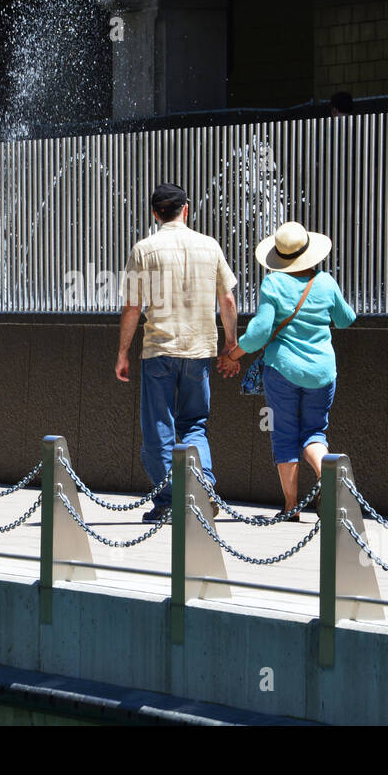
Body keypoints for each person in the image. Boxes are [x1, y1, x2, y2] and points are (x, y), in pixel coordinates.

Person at [117, 184, 238, 522]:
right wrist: (230, 344)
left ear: (155, 213)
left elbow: (131, 307)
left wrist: (123, 352)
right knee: (195, 424)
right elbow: (227, 301)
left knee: (160, 428)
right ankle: (205, 490)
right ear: (186, 209)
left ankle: (169, 502)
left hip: (159, 350)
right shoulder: (209, 246)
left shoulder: (144, 249)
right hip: (199, 350)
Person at [219, 221, 356, 519]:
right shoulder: (325, 282)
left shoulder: (273, 283)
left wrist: (233, 355)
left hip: (282, 371)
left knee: (284, 435)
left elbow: (259, 333)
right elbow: (346, 319)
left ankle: (291, 506)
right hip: (322, 372)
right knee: (314, 432)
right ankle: (327, 476)